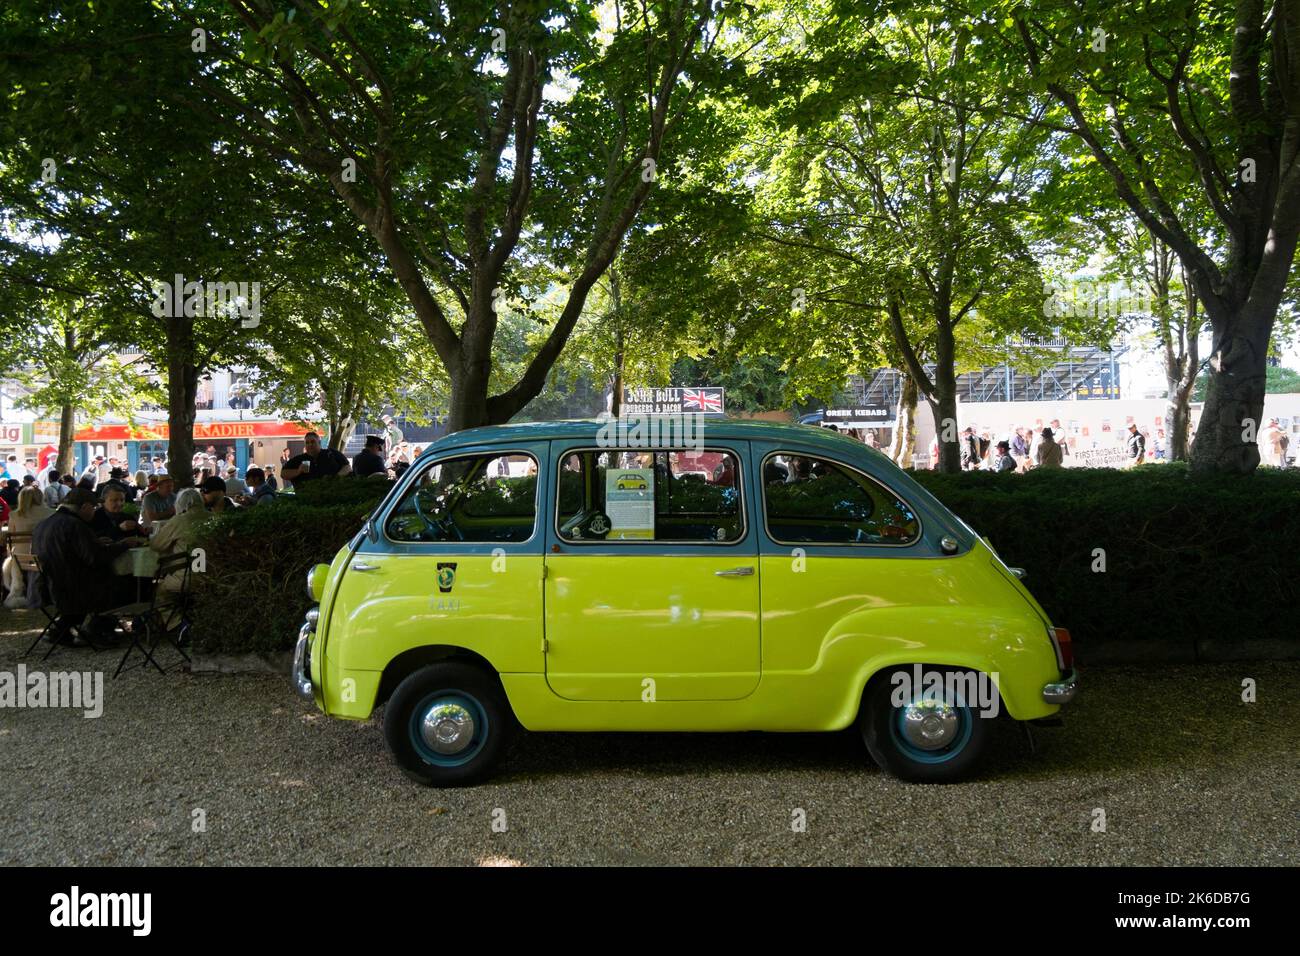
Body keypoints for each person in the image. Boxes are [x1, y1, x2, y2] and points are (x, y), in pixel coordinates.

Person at [32, 488, 135, 643]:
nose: (94, 512)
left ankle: (60, 629)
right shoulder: (75, 525)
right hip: (71, 588)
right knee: (124, 582)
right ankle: (98, 630)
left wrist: (96, 543)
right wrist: (123, 545)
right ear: (85, 507)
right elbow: (96, 558)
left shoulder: (45, 523)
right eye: (93, 508)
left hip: (44, 585)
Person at [150, 488, 209, 595]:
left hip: (186, 578)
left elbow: (156, 545)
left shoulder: (180, 520)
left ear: (180, 504)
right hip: (212, 577)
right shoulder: (213, 517)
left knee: (158, 590)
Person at [3, 486, 54, 607]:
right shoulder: (51, 513)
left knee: (13, 554)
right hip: (46, 554)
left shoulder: (14, 515)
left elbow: (11, 538)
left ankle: (15, 592)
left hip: (21, 557)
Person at [282, 431, 351, 487]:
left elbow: (347, 467)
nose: (310, 445)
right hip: (307, 497)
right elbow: (283, 474)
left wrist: (336, 478)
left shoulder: (331, 454)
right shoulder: (299, 459)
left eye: (312, 442)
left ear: (319, 443)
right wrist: (298, 471)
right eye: (307, 443)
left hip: (332, 493)